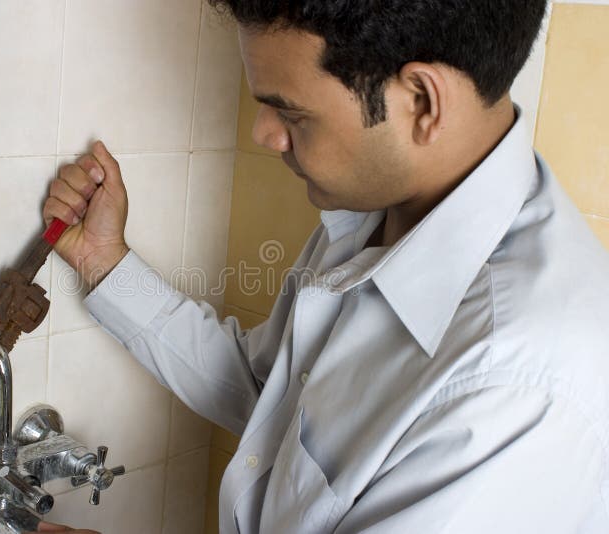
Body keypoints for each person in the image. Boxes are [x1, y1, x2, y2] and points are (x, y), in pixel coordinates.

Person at [32, 1, 609, 532]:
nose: (264, 134)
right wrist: (102, 262)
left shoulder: (519, 387)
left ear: (423, 102)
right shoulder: (375, 215)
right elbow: (271, 395)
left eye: (292, 113)